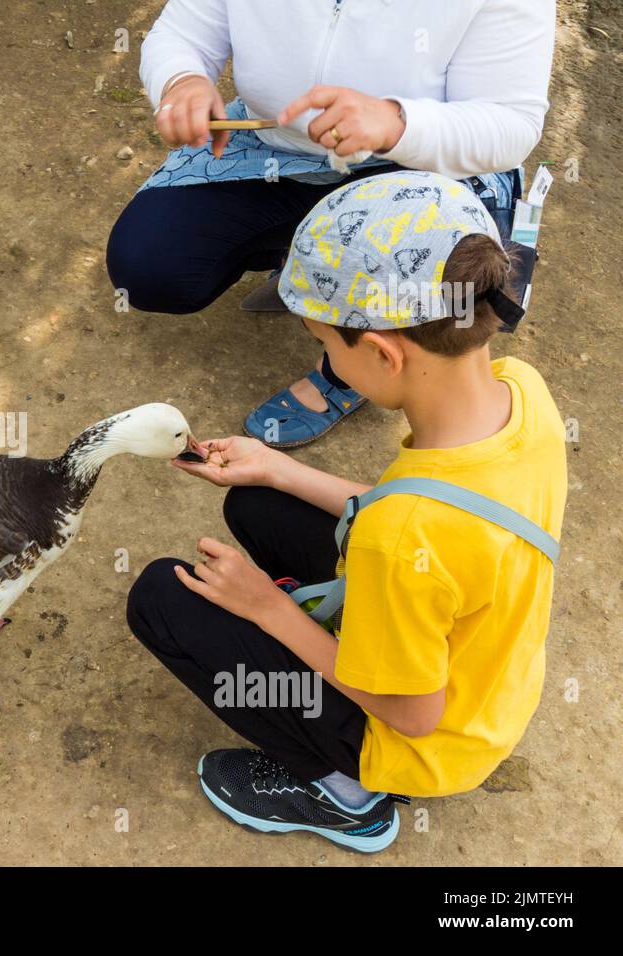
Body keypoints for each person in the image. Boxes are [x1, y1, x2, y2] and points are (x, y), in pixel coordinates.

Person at [125, 170, 567, 852]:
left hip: (422, 741)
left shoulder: (404, 539)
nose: (324, 357)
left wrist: (266, 609)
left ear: (386, 355)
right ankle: (324, 617)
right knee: (258, 500)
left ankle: (345, 792)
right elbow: (433, 511)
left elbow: (413, 713)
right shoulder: (519, 390)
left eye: (326, 346)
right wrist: (278, 467)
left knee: (160, 597)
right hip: (486, 681)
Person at [106, 0, 555, 447]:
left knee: (428, 291)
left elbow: (511, 121)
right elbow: (183, 30)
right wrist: (181, 79)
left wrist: (399, 122)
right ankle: (307, 263)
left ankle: (343, 373)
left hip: (417, 162)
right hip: (272, 146)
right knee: (150, 267)